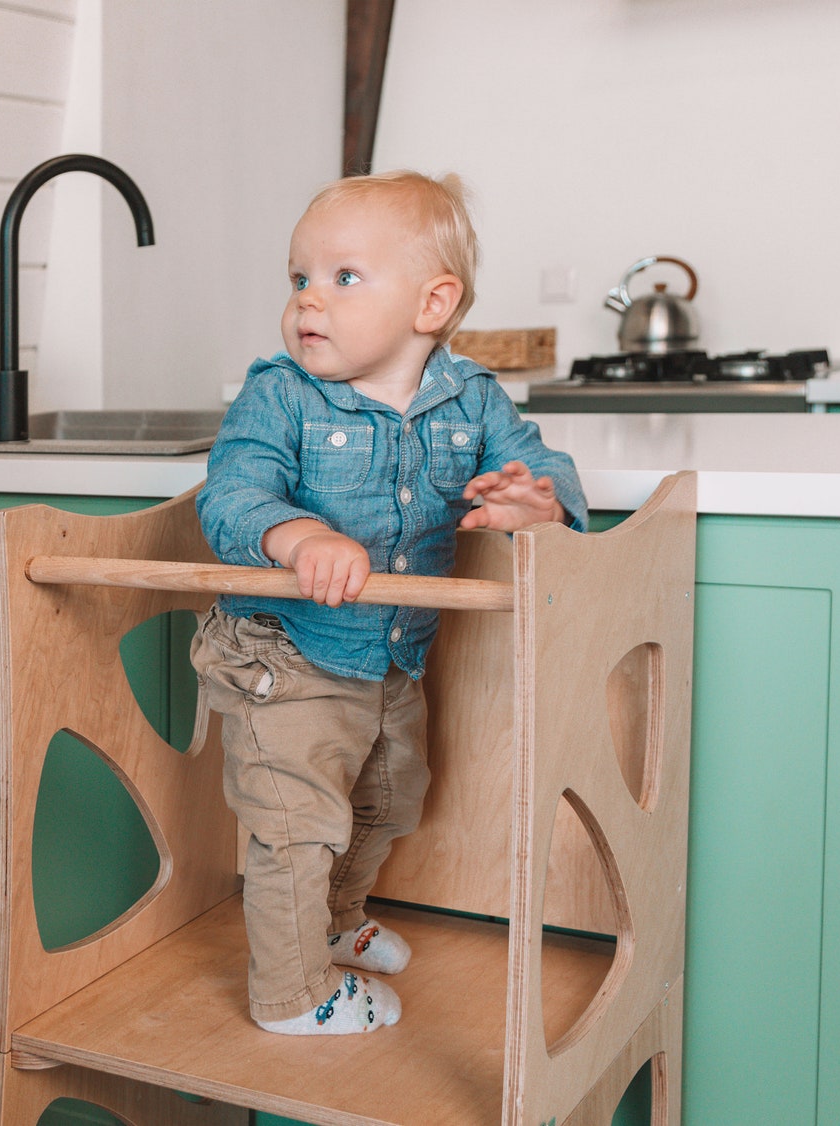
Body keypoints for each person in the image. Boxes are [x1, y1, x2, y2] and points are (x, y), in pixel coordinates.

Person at [191, 170, 587, 1036]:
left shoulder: (471, 397)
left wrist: (536, 500)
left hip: (394, 657)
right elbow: (231, 493)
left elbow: (542, 464)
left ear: (432, 302)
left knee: (387, 800)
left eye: (342, 277)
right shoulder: (280, 392)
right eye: (298, 278)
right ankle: (292, 996)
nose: (307, 302)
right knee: (297, 825)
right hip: (282, 654)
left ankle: (334, 926)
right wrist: (299, 536)